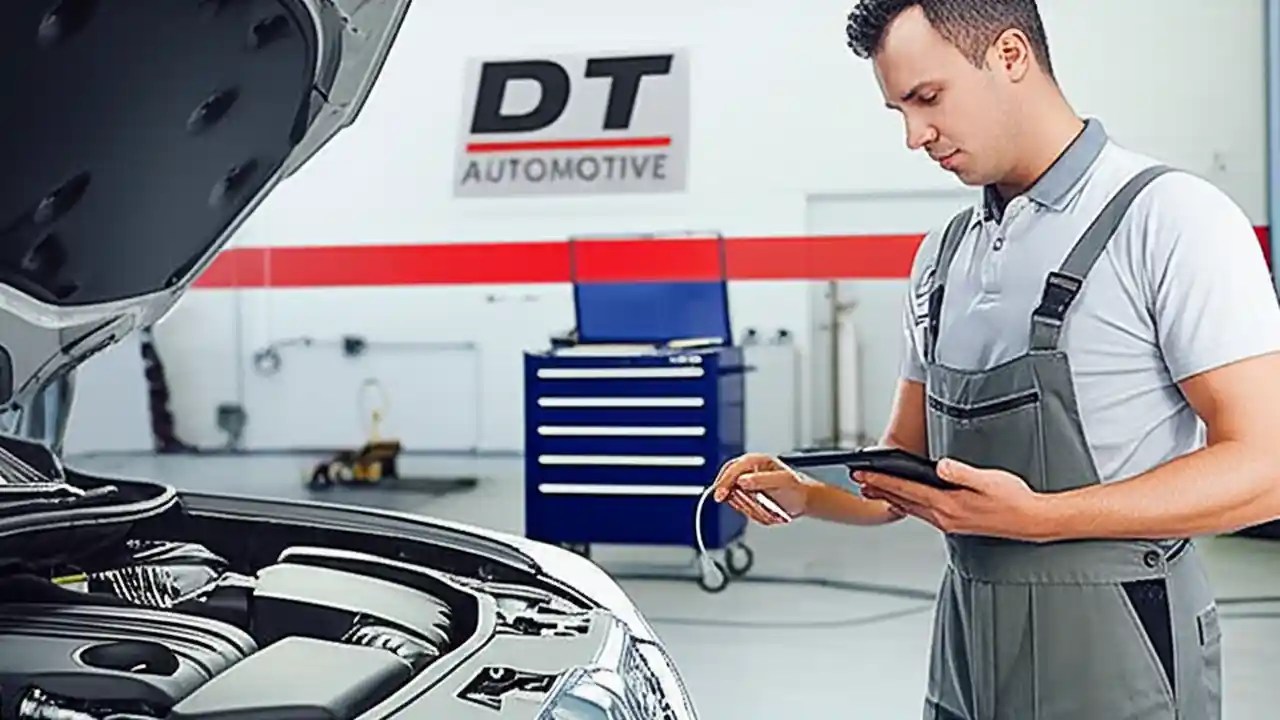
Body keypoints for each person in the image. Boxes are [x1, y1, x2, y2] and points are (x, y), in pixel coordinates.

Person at [711, 1, 1280, 718]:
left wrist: (1042, 518)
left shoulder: (1172, 220)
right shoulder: (942, 257)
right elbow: (901, 470)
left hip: (1123, 644)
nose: (915, 135)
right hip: (967, 647)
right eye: (899, 110)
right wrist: (805, 492)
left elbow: (1268, 470)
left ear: (1010, 56)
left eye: (928, 98)